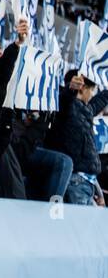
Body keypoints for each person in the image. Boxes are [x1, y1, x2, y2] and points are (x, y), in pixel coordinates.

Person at [44, 71, 108, 205]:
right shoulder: (65, 108)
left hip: (87, 183)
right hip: (75, 182)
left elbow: (100, 100)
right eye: (92, 90)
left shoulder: (86, 110)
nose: (92, 95)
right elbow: (64, 100)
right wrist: (71, 89)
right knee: (80, 226)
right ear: (83, 88)